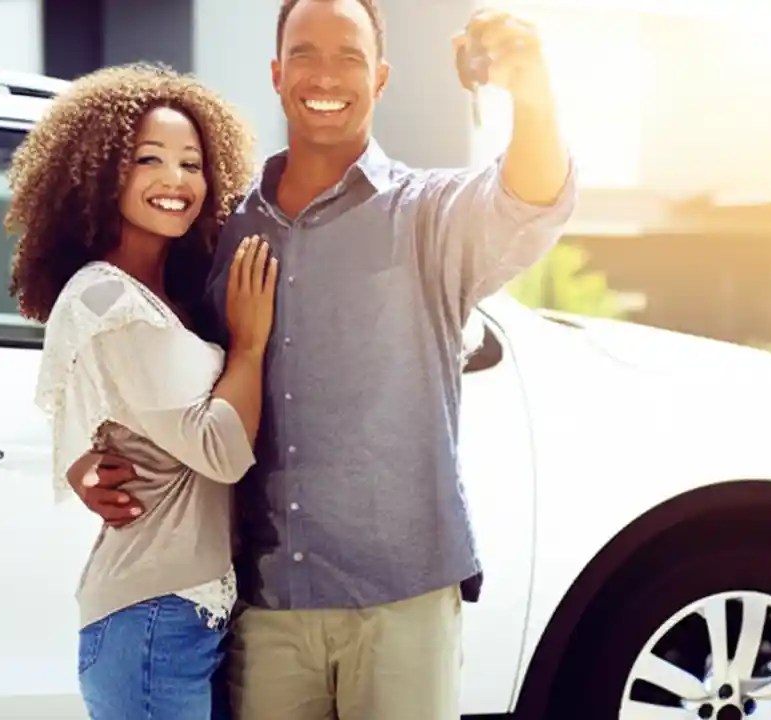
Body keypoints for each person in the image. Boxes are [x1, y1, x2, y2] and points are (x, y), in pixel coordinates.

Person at [71, 1, 577, 718]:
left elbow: (530, 199)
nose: (326, 75)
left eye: (350, 56)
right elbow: (141, 346)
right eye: (305, 54)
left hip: (401, 601)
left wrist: (533, 93)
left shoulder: (428, 215)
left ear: (382, 77)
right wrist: (85, 455)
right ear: (277, 75)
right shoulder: (220, 228)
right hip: (264, 605)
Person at [7, 63, 274, 720]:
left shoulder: (169, 300)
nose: (176, 180)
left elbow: (102, 415)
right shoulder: (108, 299)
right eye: (147, 159)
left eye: (191, 162)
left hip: (186, 614)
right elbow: (222, 451)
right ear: (101, 174)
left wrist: (83, 467)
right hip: (152, 618)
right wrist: (249, 346)